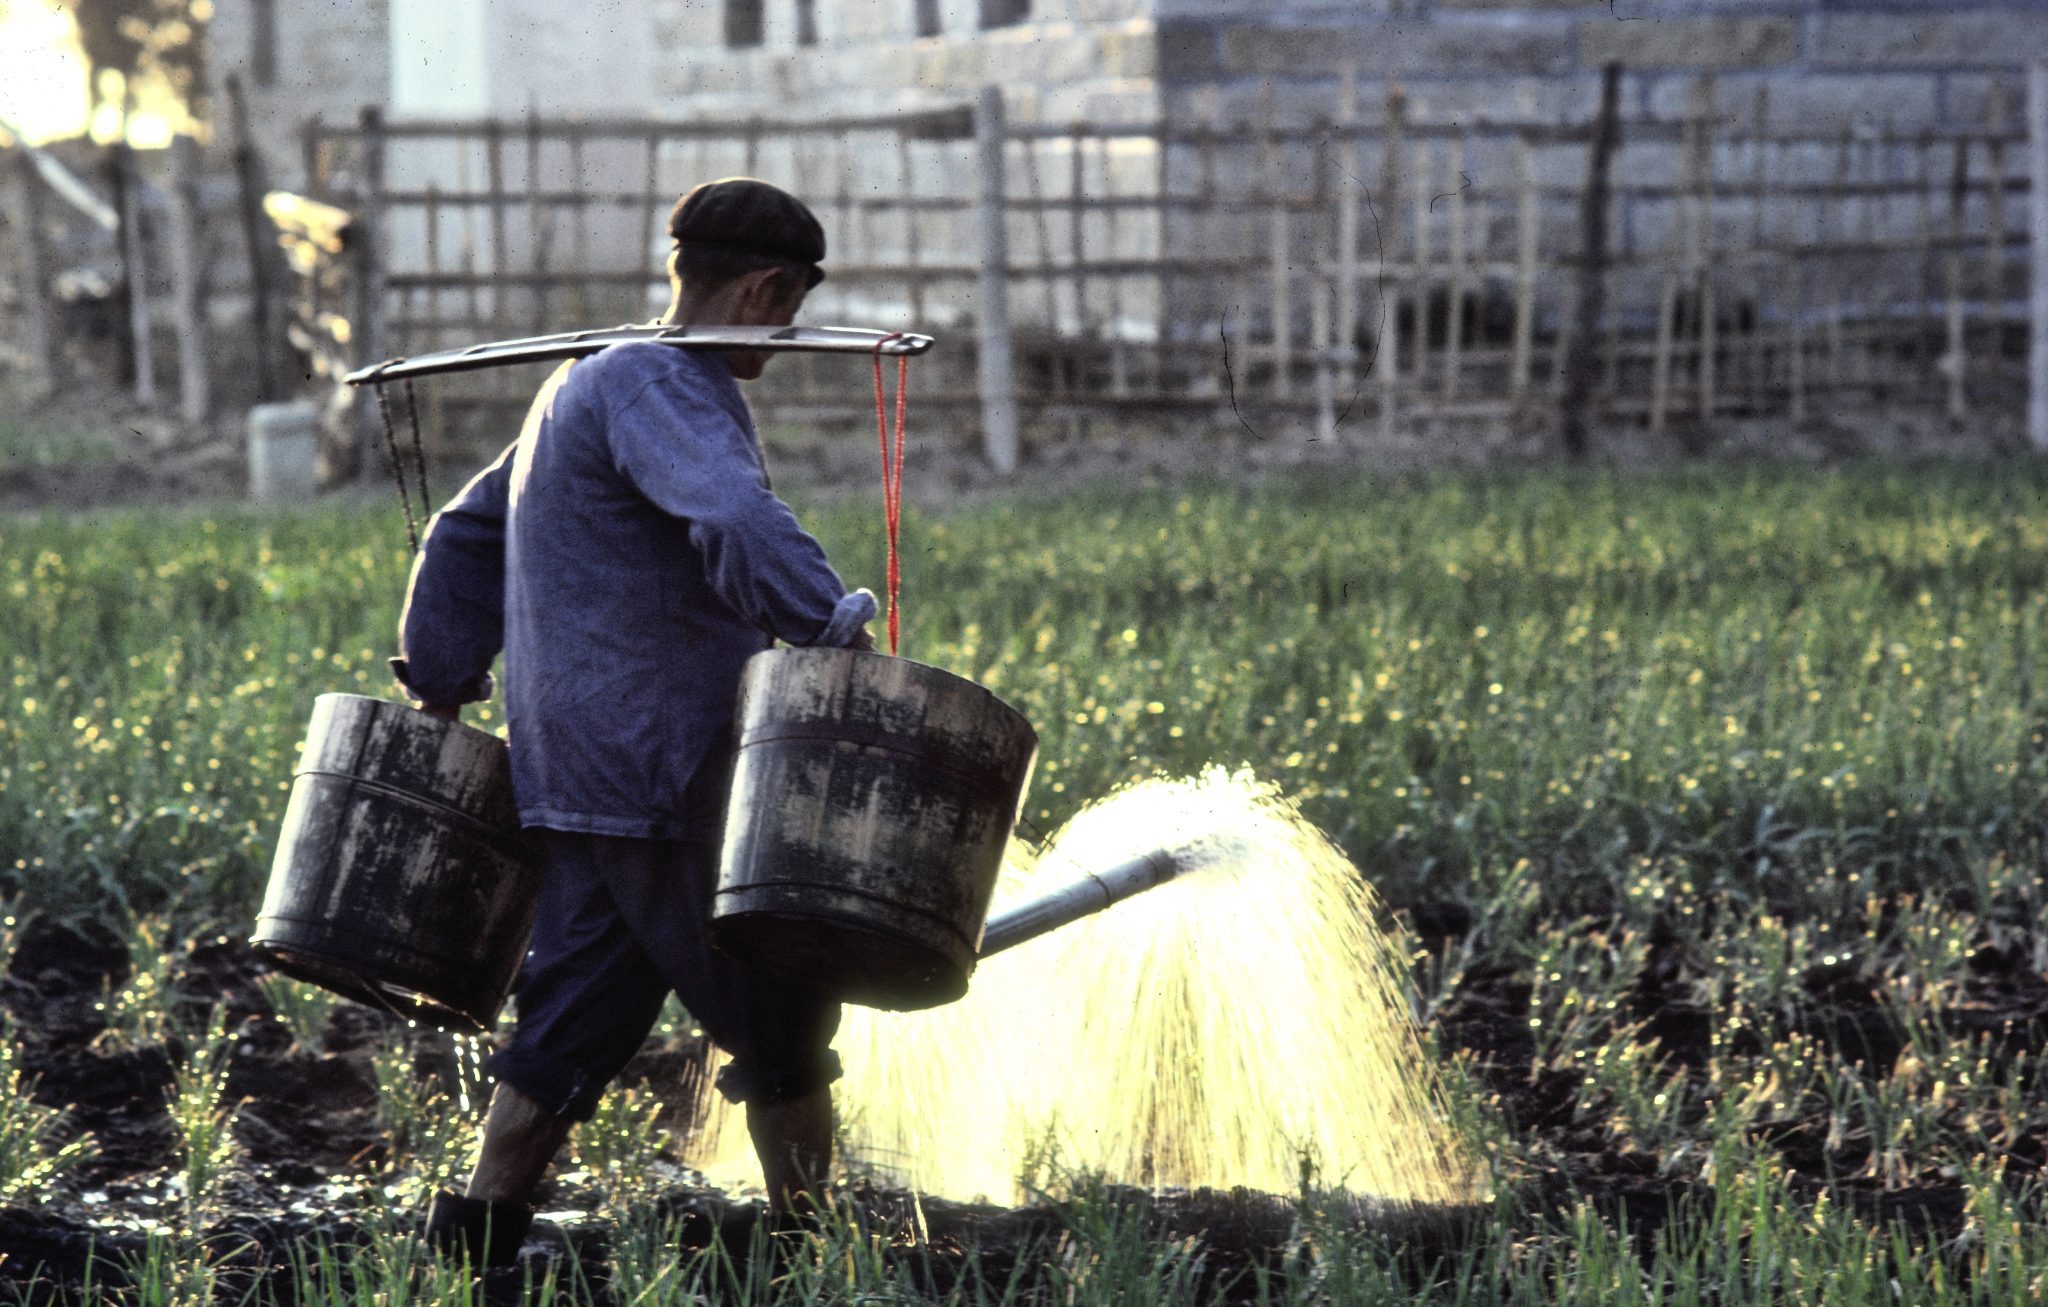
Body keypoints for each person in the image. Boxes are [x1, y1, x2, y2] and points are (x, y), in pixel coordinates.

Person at [389, 177, 877, 1268]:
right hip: (666, 768)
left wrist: (438, 671)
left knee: (572, 1021)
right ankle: (816, 1261)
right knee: (782, 1019)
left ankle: (472, 1249)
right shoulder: (663, 382)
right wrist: (833, 634)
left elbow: (467, 534)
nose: (789, 330)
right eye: (787, 304)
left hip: (570, 773)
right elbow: (736, 515)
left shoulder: (582, 381)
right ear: (762, 287)